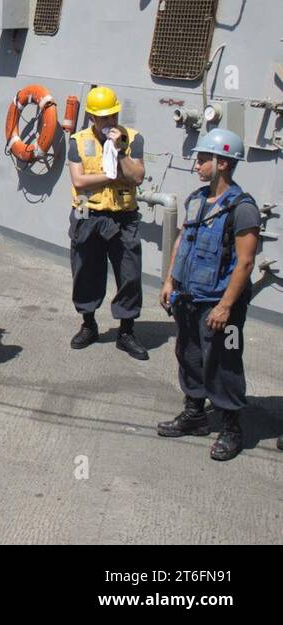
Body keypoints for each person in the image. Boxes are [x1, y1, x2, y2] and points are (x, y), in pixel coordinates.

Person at [157, 128, 260, 461]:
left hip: (219, 306)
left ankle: (231, 427)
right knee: (188, 355)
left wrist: (226, 306)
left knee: (224, 362)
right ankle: (195, 414)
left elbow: (245, 262)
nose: (197, 165)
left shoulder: (242, 209)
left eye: (203, 159)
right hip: (188, 299)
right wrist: (170, 281)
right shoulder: (198, 199)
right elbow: (181, 240)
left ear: (224, 163)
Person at [67, 84, 148, 359]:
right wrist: (113, 176)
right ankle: (88, 324)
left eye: (113, 116)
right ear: (92, 117)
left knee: (130, 274)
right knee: (86, 271)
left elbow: (137, 176)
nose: (109, 122)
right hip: (87, 214)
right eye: (103, 118)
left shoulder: (133, 138)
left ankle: (126, 331)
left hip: (123, 216)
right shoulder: (78, 141)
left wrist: (120, 151)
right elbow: (79, 180)